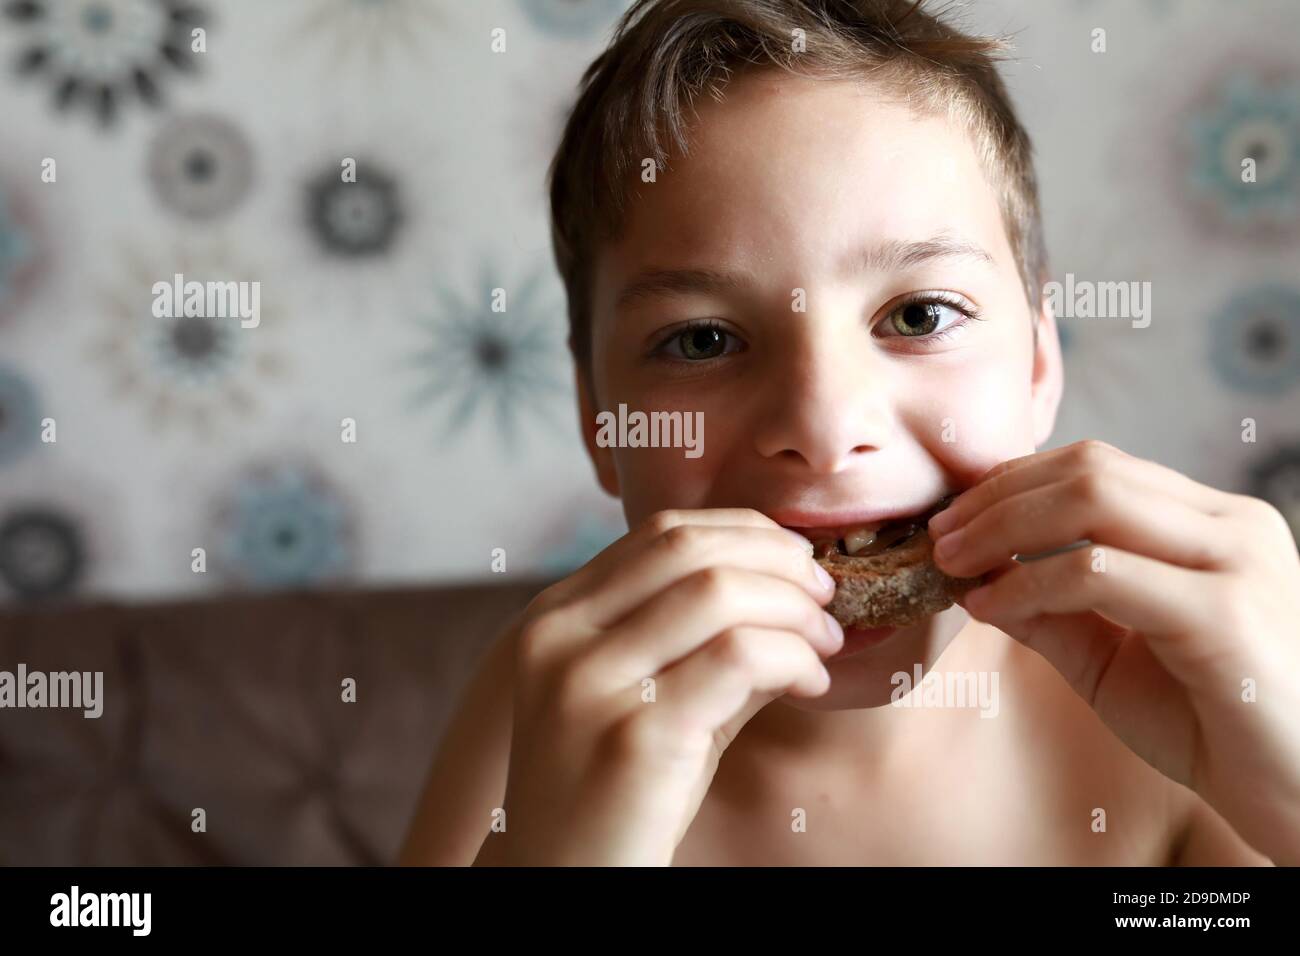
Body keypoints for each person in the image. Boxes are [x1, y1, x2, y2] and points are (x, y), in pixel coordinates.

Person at [401, 0, 1299, 866]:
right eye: (703, 339)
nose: (824, 431)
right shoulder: (550, 716)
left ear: (1036, 363)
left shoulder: (1178, 695)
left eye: (917, 316)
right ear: (602, 420)